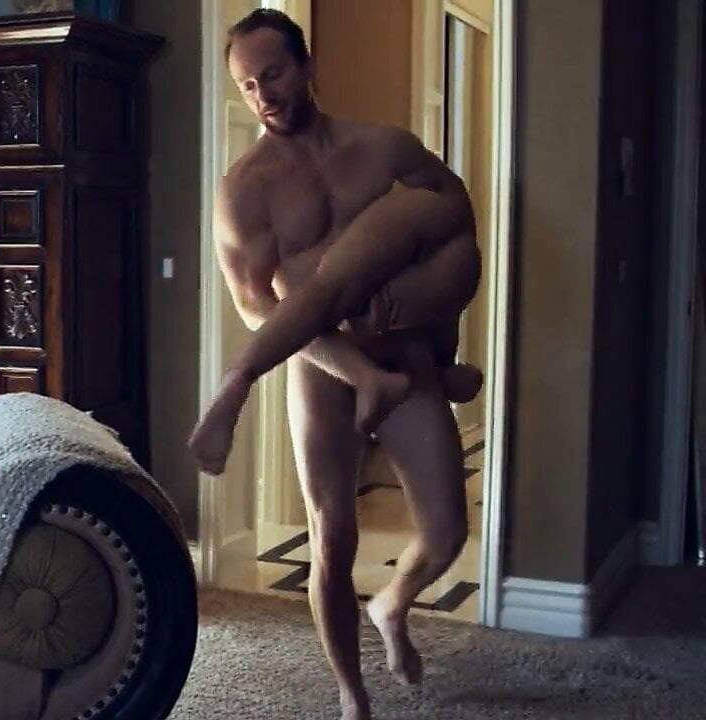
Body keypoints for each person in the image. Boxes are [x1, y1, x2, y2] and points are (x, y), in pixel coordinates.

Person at [187, 9, 484, 720]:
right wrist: (353, 370)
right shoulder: (244, 187)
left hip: (404, 354)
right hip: (322, 368)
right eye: (248, 85)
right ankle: (352, 694)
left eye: (273, 74)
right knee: (331, 541)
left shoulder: (386, 149)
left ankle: (393, 604)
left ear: (307, 65)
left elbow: (453, 227)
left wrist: (434, 329)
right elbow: (256, 307)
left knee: (445, 533)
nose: (263, 95)